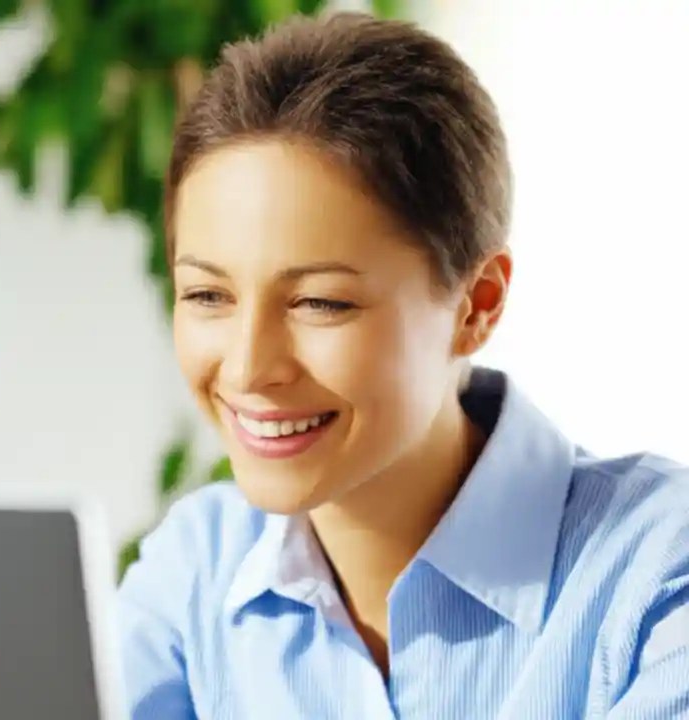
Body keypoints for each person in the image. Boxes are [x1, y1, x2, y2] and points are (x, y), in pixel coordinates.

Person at [118, 11, 689, 719]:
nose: (247, 368)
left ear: (477, 304)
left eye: (321, 303)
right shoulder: (194, 566)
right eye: (208, 294)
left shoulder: (660, 569)